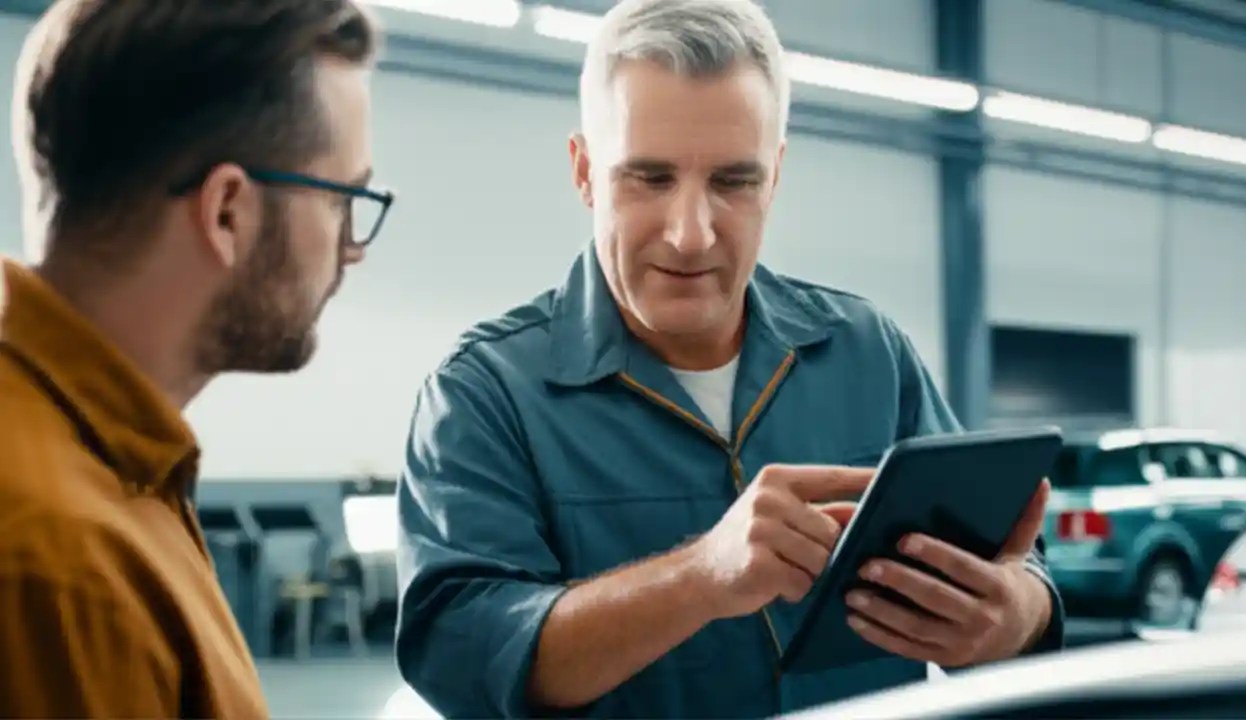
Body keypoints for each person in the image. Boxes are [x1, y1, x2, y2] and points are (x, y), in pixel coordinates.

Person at [395, 0, 1064, 717]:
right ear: (585, 171)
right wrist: (702, 576)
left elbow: (1015, 574)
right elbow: (461, 657)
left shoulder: (871, 353)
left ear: (774, 175)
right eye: (649, 179)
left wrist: (1017, 614)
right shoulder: (484, 395)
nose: (691, 234)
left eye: (732, 181)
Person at [0, 1, 391, 716]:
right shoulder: (61, 563)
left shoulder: (108, 470)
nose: (353, 246)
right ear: (227, 212)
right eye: (344, 199)